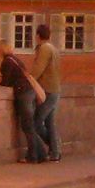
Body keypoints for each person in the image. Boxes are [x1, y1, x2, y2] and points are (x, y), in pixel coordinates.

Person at [0, 41, 43, 163]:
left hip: (23, 93)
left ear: (2, 50)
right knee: (30, 125)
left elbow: (5, 82)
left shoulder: (7, 62)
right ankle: (41, 154)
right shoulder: (16, 60)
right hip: (30, 91)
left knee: (27, 126)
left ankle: (33, 157)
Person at [30, 22, 63, 163]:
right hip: (55, 89)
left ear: (38, 35)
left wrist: (28, 79)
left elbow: (38, 69)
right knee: (50, 122)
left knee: (37, 122)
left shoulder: (44, 49)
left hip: (47, 90)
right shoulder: (54, 49)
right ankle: (55, 152)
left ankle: (55, 147)